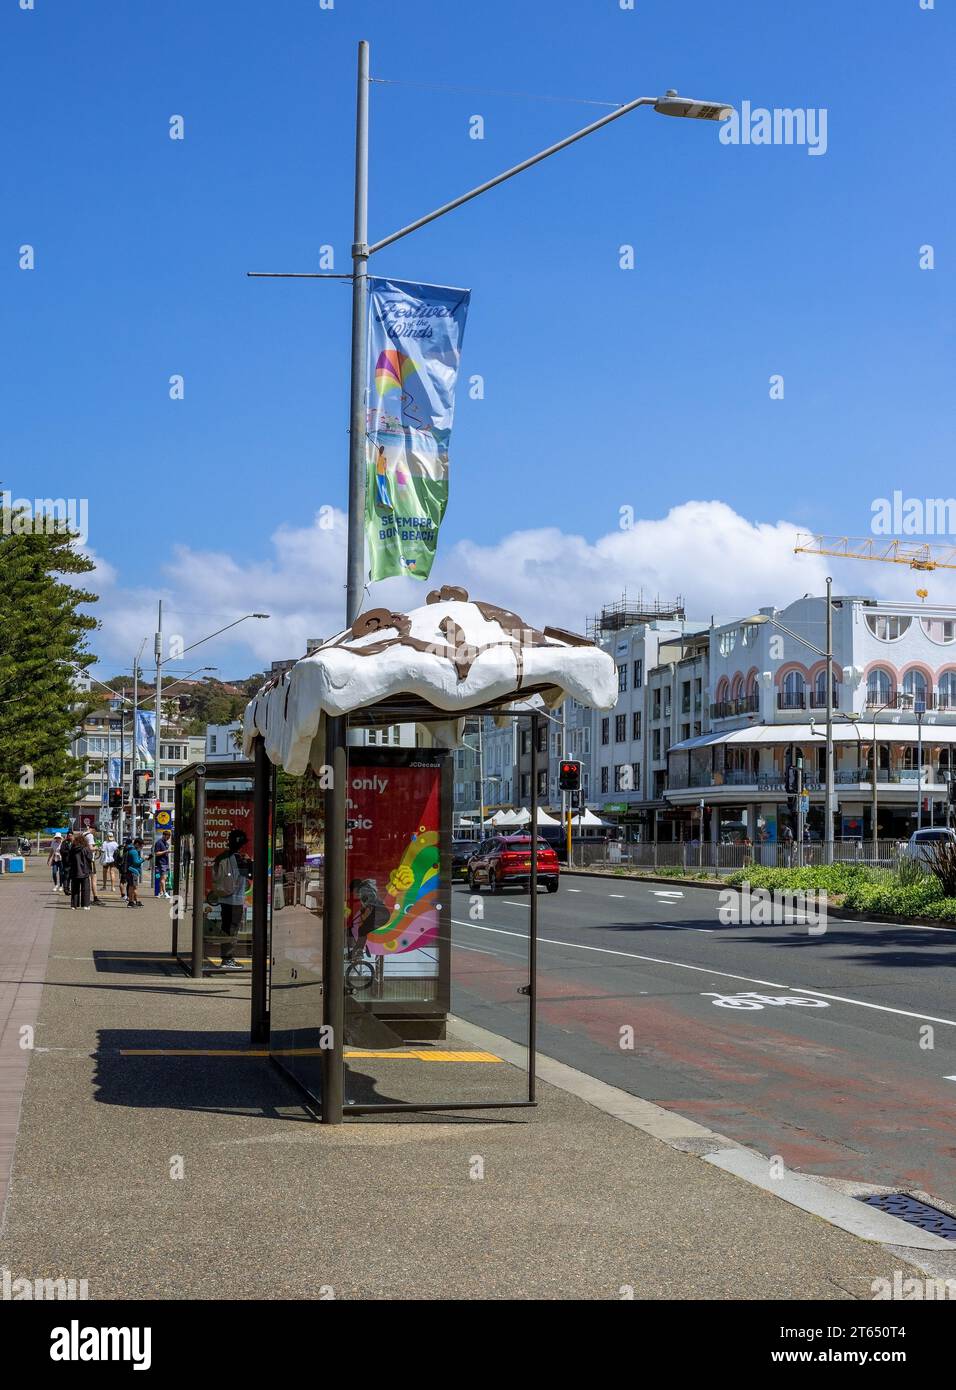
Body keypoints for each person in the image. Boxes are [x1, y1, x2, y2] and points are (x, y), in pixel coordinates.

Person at [213, 829, 253, 969]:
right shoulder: (239, 859)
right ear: (241, 845)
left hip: (224, 898)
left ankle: (226, 957)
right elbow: (251, 875)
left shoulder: (222, 856)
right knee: (232, 929)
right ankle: (227, 958)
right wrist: (250, 861)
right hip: (235, 899)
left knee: (226, 928)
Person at [66, 831, 94, 911]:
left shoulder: (73, 849)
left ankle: (74, 905)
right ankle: (85, 905)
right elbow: (90, 858)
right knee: (86, 889)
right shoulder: (86, 849)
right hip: (85, 871)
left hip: (74, 871)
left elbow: (68, 860)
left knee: (75, 889)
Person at [125, 838, 144, 907]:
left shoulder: (131, 850)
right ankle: (131, 902)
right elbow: (136, 862)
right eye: (141, 846)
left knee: (132, 886)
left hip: (130, 871)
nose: (141, 848)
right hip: (133, 871)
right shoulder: (134, 852)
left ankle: (135, 901)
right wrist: (143, 859)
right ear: (137, 844)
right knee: (132, 887)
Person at [153, 830, 171, 898]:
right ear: (164, 835)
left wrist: (167, 851)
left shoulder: (165, 843)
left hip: (165, 862)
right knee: (163, 878)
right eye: (167, 837)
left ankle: (160, 892)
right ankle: (165, 893)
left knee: (163, 878)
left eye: (168, 838)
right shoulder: (158, 843)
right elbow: (156, 853)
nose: (168, 839)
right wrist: (166, 851)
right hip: (161, 863)